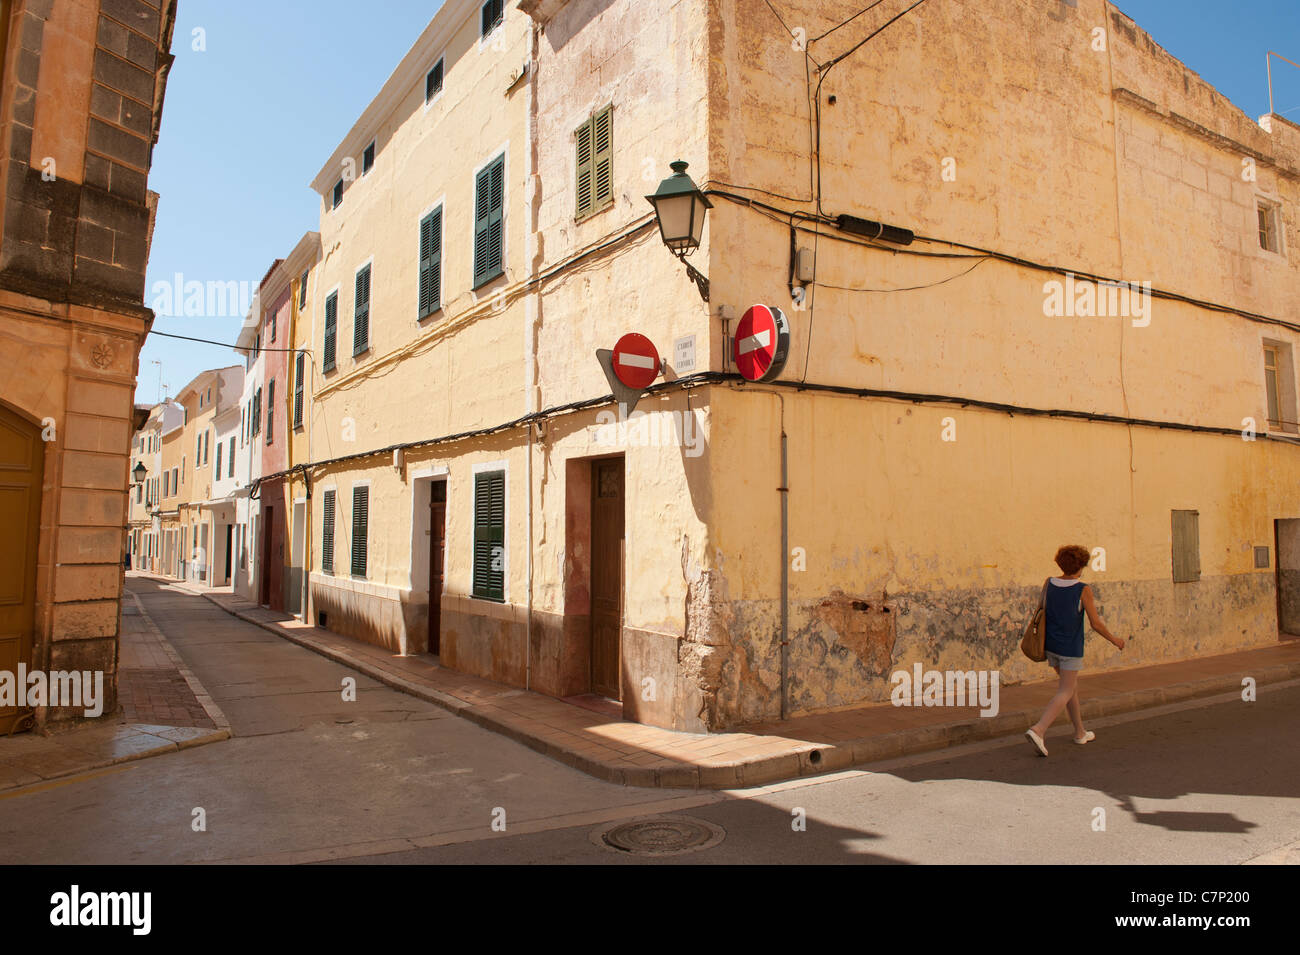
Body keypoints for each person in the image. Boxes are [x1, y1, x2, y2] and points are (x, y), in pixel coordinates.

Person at [1025, 544, 1125, 756]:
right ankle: (1039, 729)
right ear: (1081, 566)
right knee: (1065, 690)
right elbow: (1096, 624)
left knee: (1071, 688)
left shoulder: (1049, 583)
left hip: (1050, 646)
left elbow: (1042, 609)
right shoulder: (1082, 589)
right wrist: (1115, 640)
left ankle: (1080, 732)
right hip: (1070, 648)